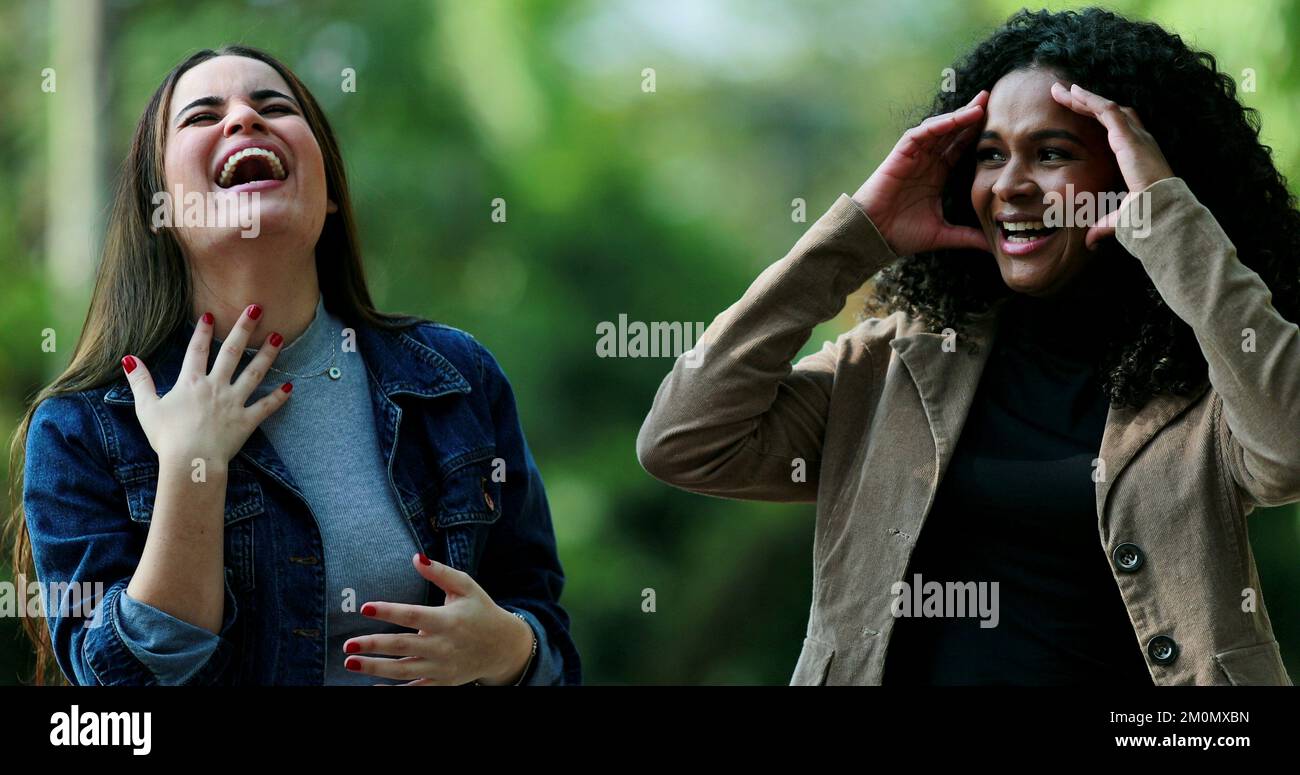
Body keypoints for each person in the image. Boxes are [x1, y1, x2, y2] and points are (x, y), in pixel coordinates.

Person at [637, 8, 1299, 685]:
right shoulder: (893, 363)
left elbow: (1289, 449)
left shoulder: (1211, 368)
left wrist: (1173, 222)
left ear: (1136, 173)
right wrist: (855, 239)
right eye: (990, 154)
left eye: (1051, 153)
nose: (1010, 185)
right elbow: (685, 440)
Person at [10, 45, 579, 685]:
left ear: (329, 191)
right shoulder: (77, 429)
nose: (243, 120)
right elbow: (119, 697)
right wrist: (191, 471)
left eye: (273, 106)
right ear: (161, 209)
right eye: (202, 116)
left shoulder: (458, 377)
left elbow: (547, 636)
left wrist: (509, 651)